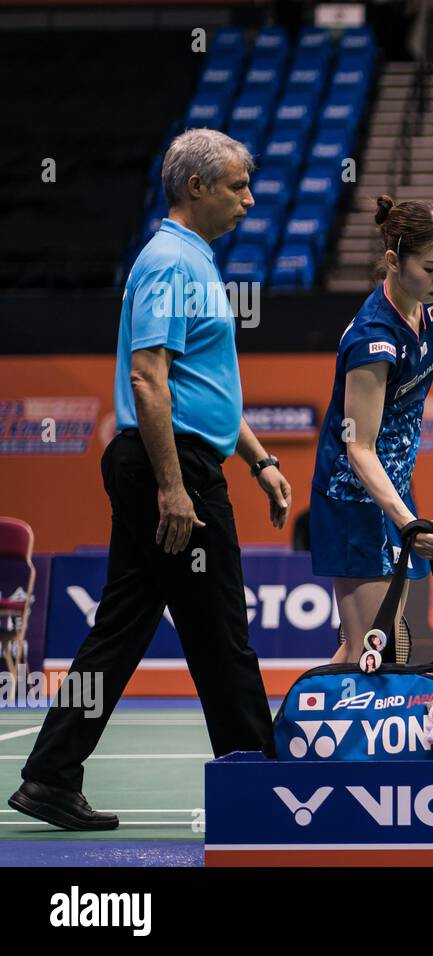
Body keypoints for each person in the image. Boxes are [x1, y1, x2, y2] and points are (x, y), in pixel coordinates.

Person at [9, 129, 292, 830]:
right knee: (220, 629)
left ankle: (50, 775)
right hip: (172, 466)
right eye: (237, 186)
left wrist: (259, 460)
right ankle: (256, 780)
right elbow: (148, 378)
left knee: (123, 628)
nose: (250, 201)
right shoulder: (169, 262)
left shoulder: (192, 261)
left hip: (179, 457)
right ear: (195, 187)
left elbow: (204, 386)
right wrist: (174, 486)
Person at [310, 196, 433, 665]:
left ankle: (291, 736)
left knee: (380, 650)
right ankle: (288, 736)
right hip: (355, 498)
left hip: (390, 493)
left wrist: (406, 511)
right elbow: (359, 447)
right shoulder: (374, 339)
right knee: (365, 654)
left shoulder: (423, 311)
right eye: (432, 267)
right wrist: (406, 520)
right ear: (394, 260)